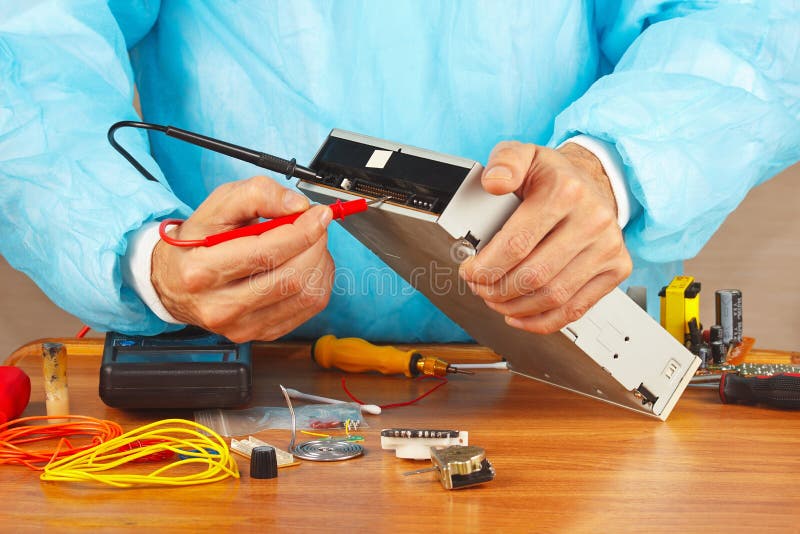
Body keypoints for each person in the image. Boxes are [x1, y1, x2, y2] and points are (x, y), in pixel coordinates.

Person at [1, 1, 798, 343]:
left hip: (565, 355)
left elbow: (742, 21)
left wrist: (610, 171)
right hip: (231, 367)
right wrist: (147, 254)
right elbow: (25, 53)